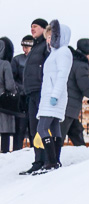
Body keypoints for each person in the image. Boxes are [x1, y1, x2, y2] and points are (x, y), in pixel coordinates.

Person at [31, 20, 72, 174]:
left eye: (50, 37)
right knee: (54, 128)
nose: (48, 40)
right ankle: (55, 161)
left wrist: (54, 95)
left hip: (54, 97)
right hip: (50, 96)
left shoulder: (63, 52)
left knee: (42, 128)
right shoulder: (55, 53)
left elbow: (62, 76)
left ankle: (51, 162)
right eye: (47, 37)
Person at [19, 19, 49, 174]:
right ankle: (38, 161)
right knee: (33, 128)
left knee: (42, 127)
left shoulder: (46, 46)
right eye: (31, 27)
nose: (32, 29)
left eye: (35, 26)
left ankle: (46, 160)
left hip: (41, 91)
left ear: (44, 29)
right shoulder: (35, 47)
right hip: (31, 92)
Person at [63, 38, 89, 148]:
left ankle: (83, 154)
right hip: (67, 107)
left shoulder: (71, 61)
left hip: (67, 105)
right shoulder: (81, 65)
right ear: (88, 52)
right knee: (58, 137)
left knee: (76, 131)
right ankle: (51, 157)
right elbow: (85, 84)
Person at [12, 35, 31, 149]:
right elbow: (12, 79)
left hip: (32, 97)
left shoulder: (38, 59)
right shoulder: (17, 60)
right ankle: (17, 150)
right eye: (23, 46)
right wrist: (21, 88)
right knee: (20, 129)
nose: (24, 49)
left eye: (27, 47)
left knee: (33, 129)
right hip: (21, 97)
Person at [0, 37, 16, 153]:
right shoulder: (5, 64)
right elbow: (10, 85)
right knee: (4, 129)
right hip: (3, 100)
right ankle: (4, 153)